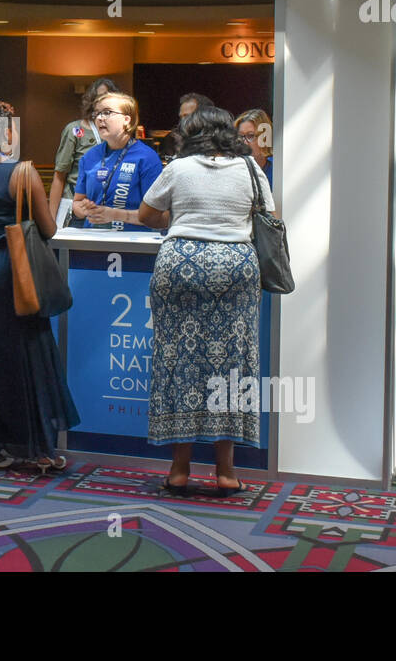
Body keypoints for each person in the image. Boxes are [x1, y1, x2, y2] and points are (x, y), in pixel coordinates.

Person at [138, 106, 274, 498]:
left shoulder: (178, 169)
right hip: (235, 268)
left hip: (180, 264)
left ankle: (179, 470)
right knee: (231, 365)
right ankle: (226, 473)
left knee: (179, 359)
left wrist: (184, 216)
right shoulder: (250, 169)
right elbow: (270, 217)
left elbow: (148, 214)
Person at [0, 101, 79, 470]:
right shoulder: (23, 172)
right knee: (27, 355)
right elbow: (49, 229)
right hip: (14, 269)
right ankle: (38, 450)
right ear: (6, 133)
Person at [71, 91, 163, 231]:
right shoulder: (89, 157)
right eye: (97, 114)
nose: (100, 118)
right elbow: (77, 202)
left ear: (127, 119)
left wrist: (115, 215)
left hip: (133, 242)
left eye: (107, 112)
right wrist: (84, 209)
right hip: (93, 238)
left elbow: (157, 215)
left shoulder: (147, 158)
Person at [47, 77, 119, 221]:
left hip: (106, 207)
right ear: (92, 100)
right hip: (77, 206)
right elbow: (59, 176)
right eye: (100, 97)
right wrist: (51, 221)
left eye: (109, 98)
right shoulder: (75, 130)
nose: (104, 103)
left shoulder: (118, 133)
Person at [235, 108, 275, 186]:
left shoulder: (278, 169)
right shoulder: (232, 168)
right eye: (240, 136)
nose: (244, 142)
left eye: (250, 136)